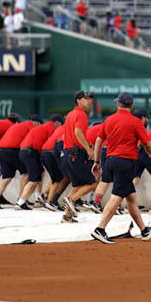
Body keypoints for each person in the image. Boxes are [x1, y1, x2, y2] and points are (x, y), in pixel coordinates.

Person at [91, 92, 151, 245]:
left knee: (131, 197)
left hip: (110, 160)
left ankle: (143, 230)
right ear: (132, 105)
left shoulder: (109, 120)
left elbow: (98, 141)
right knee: (117, 196)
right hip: (125, 162)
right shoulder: (136, 122)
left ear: (118, 104)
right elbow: (147, 143)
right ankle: (100, 229)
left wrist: (96, 161)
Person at [60, 91, 97, 223]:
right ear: (78, 100)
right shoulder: (81, 114)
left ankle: (67, 215)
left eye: (89, 99)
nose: (88, 101)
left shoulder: (71, 114)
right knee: (92, 184)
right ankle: (71, 200)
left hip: (67, 153)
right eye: (86, 99)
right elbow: (77, 132)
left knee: (76, 186)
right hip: (76, 153)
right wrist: (88, 149)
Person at [0, 114, 42, 208]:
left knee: (6, 177)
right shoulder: (31, 128)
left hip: (1, 151)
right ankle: (21, 200)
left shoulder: (18, 125)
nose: (39, 126)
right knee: (27, 173)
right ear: (36, 122)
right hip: (12, 151)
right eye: (39, 124)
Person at [14, 114, 64, 210]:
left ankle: (36, 198)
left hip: (24, 151)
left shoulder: (42, 127)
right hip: (31, 152)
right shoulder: (51, 128)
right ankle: (21, 202)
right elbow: (50, 145)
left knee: (37, 174)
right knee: (33, 180)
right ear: (57, 122)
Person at [40, 121, 68, 211]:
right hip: (52, 153)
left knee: (55, 177)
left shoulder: (60, 128)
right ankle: (49, 202)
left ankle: (45, 195)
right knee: (58, 179)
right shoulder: (70, 129)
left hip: (45, 152)